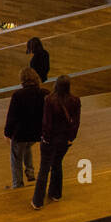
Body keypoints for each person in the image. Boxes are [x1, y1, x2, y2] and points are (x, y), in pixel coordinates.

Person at [31, 75, 81, 209]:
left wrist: (45, 138)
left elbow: (47, 123)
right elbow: (76, 122)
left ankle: (37, 201)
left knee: (44, 169)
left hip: (50, 139)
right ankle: (56, 194)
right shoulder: (75, 100)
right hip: (64, 140)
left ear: (56, 85)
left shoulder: (49, 100)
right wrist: (71, 138)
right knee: (57, 165)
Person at [4, 67, 47, 189]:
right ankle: (30, 171)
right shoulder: (45, 93)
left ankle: (17, 184)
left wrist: (7, 133)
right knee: (27, 146)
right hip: (37, 133)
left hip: (20, 133)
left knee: (16, 158)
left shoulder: (18, 95)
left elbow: (12, 116)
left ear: (22, 80)